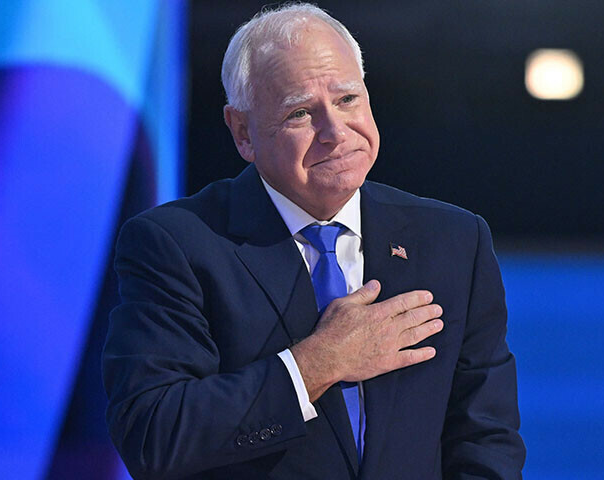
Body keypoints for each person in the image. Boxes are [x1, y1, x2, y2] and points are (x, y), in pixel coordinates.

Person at [103, 3, 525, 479]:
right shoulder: (175, 245)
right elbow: (154, 437)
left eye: (348, 100)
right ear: (242, 132)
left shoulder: (454, 239)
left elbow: (485, 439)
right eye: (301, 112)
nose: (335, 133)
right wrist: (315, 364)